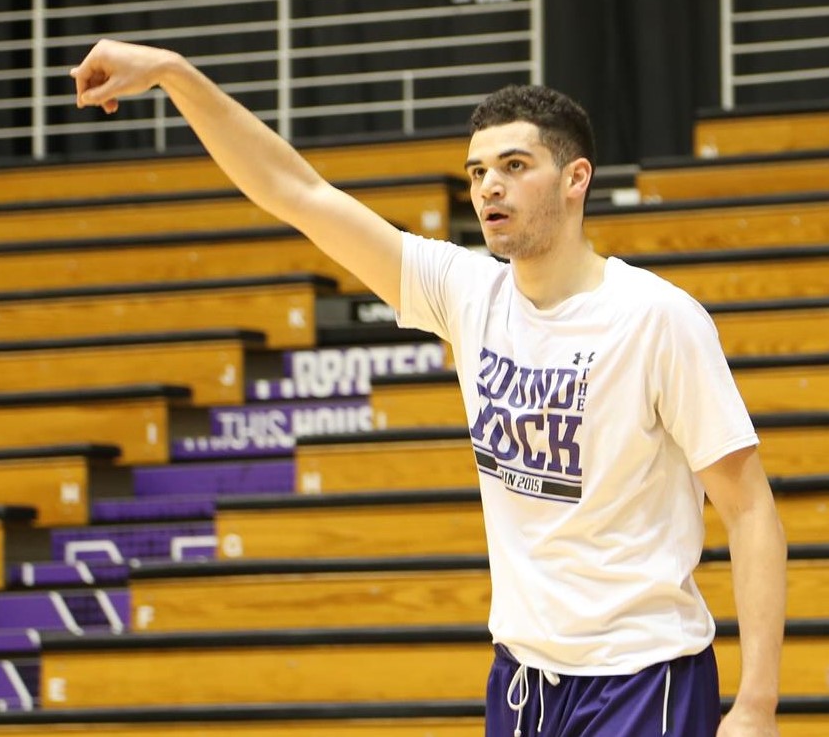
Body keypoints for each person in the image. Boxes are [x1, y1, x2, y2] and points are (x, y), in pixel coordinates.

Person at [71, 39, 787, 737]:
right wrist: (176, 74)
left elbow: (749, 506)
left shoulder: (657, 318)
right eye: (477, 172)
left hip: (643, 675)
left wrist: (755, 706)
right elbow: (297, 192)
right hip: (522, 679)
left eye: (514, 165)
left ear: (576, 180)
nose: (489, 187)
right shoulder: (467, 292)